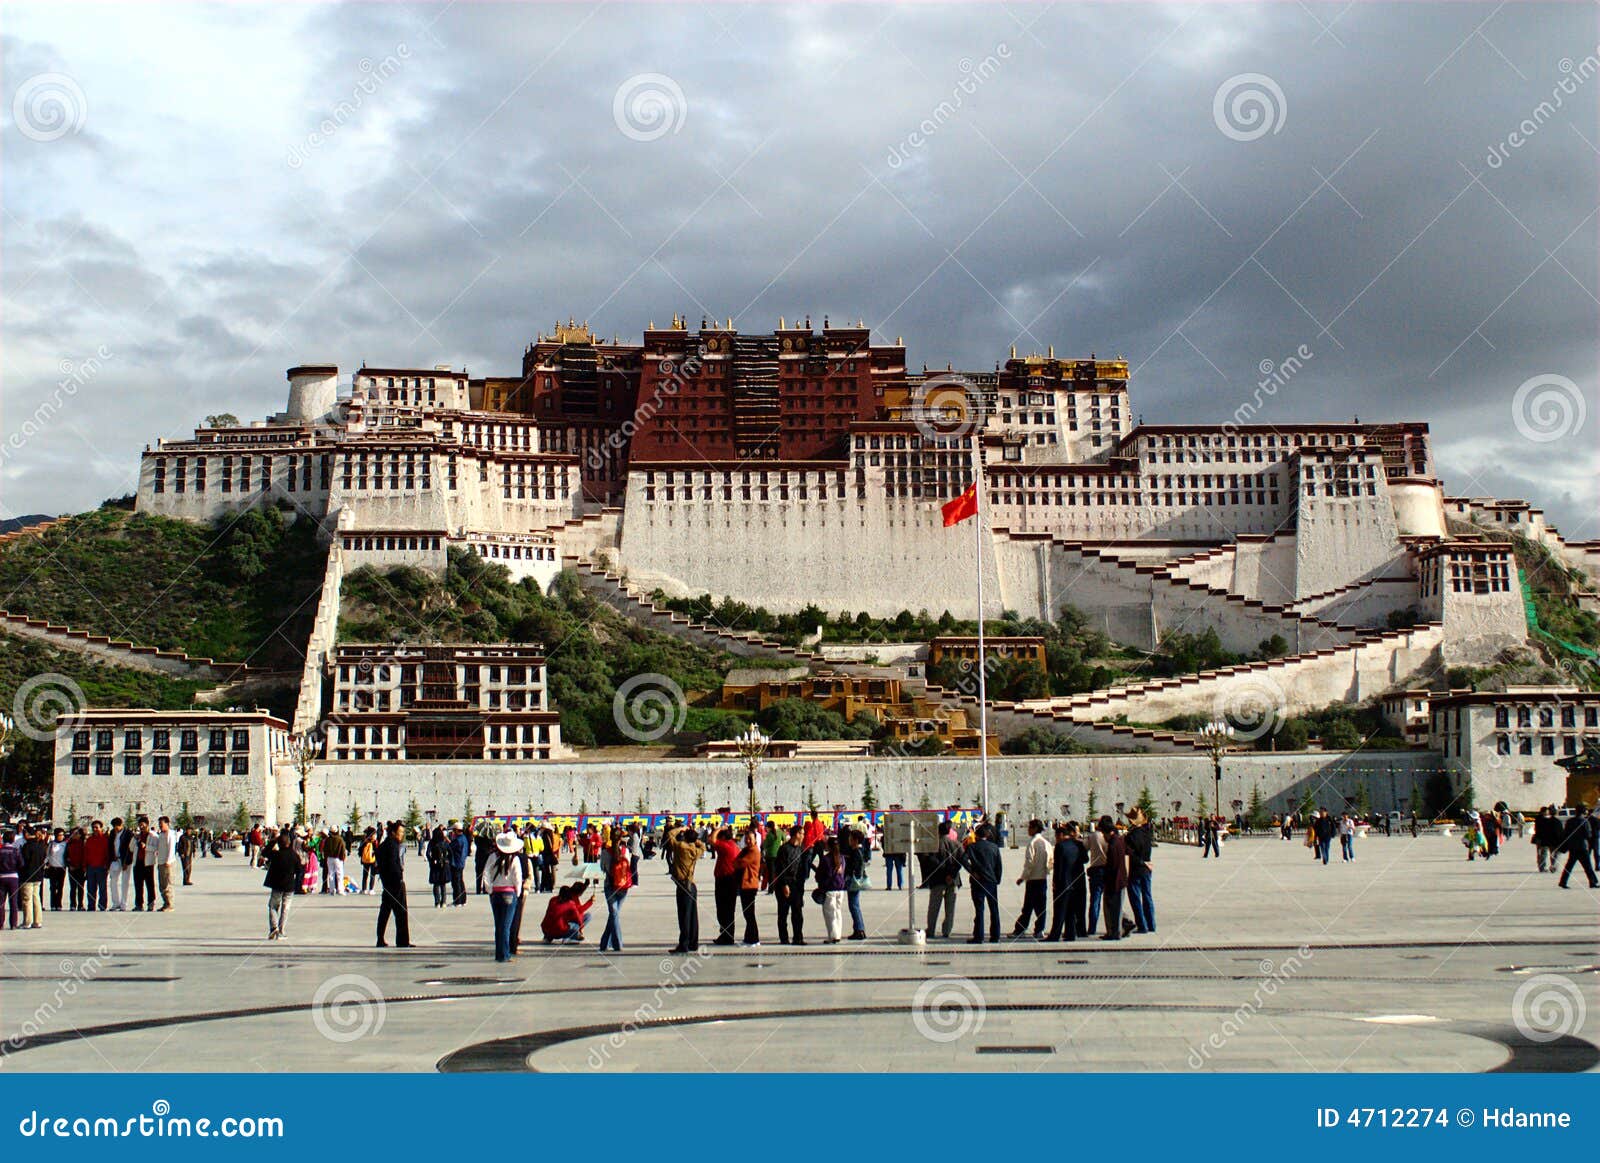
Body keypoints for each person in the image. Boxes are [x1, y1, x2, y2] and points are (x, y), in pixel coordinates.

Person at [666, 821, 705, 953]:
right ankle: (693, 942)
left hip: (682, 884)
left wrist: (681, 828)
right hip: (691, 884)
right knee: (693, 915)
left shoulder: (681, 847)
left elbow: (670, 834)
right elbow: (703, 846)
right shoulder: (696, 850)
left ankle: (684, 944)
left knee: (684, 915)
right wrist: (695, 839)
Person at [486, 831, 524, 962]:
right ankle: (505, 955)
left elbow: (486, 873)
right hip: (509, 893)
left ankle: (499, 953)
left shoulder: (492, 857)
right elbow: (517, 879)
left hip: (495, 893)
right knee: (506, 926)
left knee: (499, 926)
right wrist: (517, 893)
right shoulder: (514, 859)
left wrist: (489, 889)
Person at [1047, 821, 1088, 941]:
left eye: (1056, 837)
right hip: (1077, 882)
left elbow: (1058, 867)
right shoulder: (1078, 845)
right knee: (1071, 909)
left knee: (1059, 910)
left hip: (1063, 882)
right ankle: (1071, 933)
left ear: (1060, 835)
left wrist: (1055, 882)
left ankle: (1055, 934)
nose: (1056, 840)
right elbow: (1085, 859)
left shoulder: (1060, 846)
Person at [771, 824, 810, 945]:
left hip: (797, 884)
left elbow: (803, 868)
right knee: (783, 913)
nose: (803, 836)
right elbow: (780, 867)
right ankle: (784, 938)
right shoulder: (784, 849)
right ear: (796, 834)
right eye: (802, 833)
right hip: (784, 884)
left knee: (797, 912)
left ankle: (798, 937)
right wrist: (784, 885)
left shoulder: (802, 849)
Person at [1011, 818, 1050, 939]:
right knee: (1041, 907)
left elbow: (1029, 863)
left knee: (1028, 907)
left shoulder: (1032, 843)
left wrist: (1023, 878)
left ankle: (1020, 929)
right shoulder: (1046, 843)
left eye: (1029, 827)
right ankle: (1040, 930)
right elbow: (1051, 861)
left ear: (1034, 829)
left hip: (1032, 879)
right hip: (1042, 879)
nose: (1028, 830)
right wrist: (1046, 872)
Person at [262, 832, 304, 940]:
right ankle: (281, 930)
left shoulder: (276, 854)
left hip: (277, 884)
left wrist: (273, 841)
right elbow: (300, 871)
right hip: (289, 885)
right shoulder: (294, 855)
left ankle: (273, 927)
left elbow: (265, 852)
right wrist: (298, 884)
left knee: (273, 906)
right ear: (289, 843)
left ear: (279, 844)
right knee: (286, 908)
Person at [376, 821, 412, 947]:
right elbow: (393, 865)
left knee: (385, 911)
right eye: (400, 832)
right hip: (395, 883)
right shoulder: (392, 845)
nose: (402, 835)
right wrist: (399, 879)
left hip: (387, 883)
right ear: (393, 832)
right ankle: (403, 941)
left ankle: (380, 938)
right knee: (401, 912)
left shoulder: (384, 844)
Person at [965, 823, 1002, 944]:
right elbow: (998, 865)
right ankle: (995, 935)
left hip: (977, 881)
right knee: (994, 909)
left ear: (976, 834)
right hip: (991, 881)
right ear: (987, 835)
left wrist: (972, 871)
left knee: (979, 909)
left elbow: (963, 859)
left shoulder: (972, 847)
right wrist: (997, 879)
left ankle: (979, 936)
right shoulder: (994, 847)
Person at [598, 831, 632, 952]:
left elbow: (602, 868)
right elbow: (629, 866)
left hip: (610, 885)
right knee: (614, 914)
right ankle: (605, 943)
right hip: (623, 886)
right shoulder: (626, 851)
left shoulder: (605, 852)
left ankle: (617, 944)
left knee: (614, 913)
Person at [1124, 807, 1155, 935]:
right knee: (1147, 896)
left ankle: (1142, 925)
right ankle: (1151, 924)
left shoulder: (1130, 836)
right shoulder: (1147, 834)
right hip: (1147, 868)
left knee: (1135, 897)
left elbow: (1129, 853)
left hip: (1136, 869)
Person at [1098, 816, 1129, 940]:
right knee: (1115, 908)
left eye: (1103, 833)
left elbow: (1113, 866)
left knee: (1113, 909)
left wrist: (1107, 880)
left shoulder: (1113, 844)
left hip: (1115, 882)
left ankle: (1114, 933)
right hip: (1120, 880)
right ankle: (1115, 931)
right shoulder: (1120, 841)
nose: (1103, 837)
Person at [815, 835, 848, 944]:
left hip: (829, 889)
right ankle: (838, 934)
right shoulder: (842, 858)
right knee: (838, 912)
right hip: (841, 889)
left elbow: (820, 874)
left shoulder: (826, 859)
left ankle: (833, 936)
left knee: (830, 914)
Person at [711, 827, 740, 946]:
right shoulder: (733, 845)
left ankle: (727, 936)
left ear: (722, 837)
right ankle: (727, 934)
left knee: (723, 909)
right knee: (728, 909)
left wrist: (717, 829)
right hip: (731, 880)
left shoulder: (725, 845)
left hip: (725, 880)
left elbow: (711, 840)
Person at [1557, 807, 1598, 889]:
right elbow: (1588, 835)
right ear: (1584, 812)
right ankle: (1593, 882)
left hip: (1573, 846)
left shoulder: (1569, 821)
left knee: (1569, 865)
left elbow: (1565, 833)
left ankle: (1563, 881)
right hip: (1582, 846)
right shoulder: (1584, 822)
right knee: (1587, 866)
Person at [735, 828, 762, 946]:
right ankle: (748, 937)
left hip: (750, 884)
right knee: (747, 913)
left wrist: (737, 861)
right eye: (746, 839)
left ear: (755, 840)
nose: (748, 841)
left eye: (750, 839)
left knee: (749, 913)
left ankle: (754, 939)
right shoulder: (746, 849)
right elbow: (736, 861)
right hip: (744, 884)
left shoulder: (754, 851)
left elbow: (739, 863)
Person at [19, 825, 47, 929]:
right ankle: (37, 921)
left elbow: (23, 861)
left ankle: (27, 921)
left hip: (28, 875)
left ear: (27, 834)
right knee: (36, 898)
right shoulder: (41, 845)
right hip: (38, 875)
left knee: (27, 899)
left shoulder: (27, 846)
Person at [842, 828, 868, 940]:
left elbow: (855, 868)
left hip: (853, 882)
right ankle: (858, 929)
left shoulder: (855, 852)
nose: (849, 840)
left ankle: (859, 930)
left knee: (854, 906)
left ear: (855, 840)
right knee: (855, 905)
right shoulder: (858, 851)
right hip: (855, 881)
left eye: (850, 838)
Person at [1084, 819, 1107, 934]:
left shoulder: (1093, 836)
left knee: (1095, 901)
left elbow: (1084, 847)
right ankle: (1115, 926)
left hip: (1096, 870)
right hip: (1108, 870)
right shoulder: (1111, 836)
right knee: (1111, 900)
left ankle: (1092, 928)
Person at [83, 819, 111, 912]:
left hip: (101, 867)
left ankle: (102, 905)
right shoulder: (89, 840)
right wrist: (85, 866)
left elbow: (107, 853)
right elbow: (86, 853)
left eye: (97, 827)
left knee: (102, 888)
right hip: (90, 867)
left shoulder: (105, 839)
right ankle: (91, 905)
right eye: (93, 827)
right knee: (91, 887)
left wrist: (106, 865)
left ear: (101, 828)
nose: (95, 829)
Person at [154, 816, 178, 911]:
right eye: (159, 824)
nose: (160, 826)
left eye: (161, 824)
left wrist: (168, 860)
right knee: (162, 885)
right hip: (161, 862)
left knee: (168, 884)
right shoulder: (161, 835)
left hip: (168, 863)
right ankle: (165, 903)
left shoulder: (170, 834)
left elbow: (171, 848)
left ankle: (170, 904)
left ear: (167, 823)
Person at [0, 831, 23, 929]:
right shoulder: (16, 850)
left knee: (1, 902)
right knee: (13, 901)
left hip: (1, 877)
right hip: (13, 877)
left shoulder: (0, 851)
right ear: (13, 839)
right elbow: (21, 864)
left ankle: (0, 924)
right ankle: (13, 924)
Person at [107, 817, 131, 911]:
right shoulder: (113, 833)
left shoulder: (128, 833)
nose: (116, 828)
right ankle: (115, 902)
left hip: (125, 860)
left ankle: (123, 903)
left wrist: (127, 862)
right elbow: (110, 846)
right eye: (114, 826)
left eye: (117, 826)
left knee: (125, 882)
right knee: (113, 880)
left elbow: (130, 849)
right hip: (115, 860)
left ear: (121, 825)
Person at [427, 826, 451, 907]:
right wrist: (447, 860)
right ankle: (443, 902)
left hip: (435, 863)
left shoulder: (432, 842)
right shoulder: (445, 842)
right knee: (443, 884)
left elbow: (427, 853)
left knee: (436, 884)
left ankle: (437, 902)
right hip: (444, 864)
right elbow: (450, 853)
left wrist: (431, 860)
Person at [1533, 806, 1561, 874]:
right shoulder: (1544, 819)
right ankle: (1550, 867)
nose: (1547, 813)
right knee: (1546, 853)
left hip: (1542, 839)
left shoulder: (1540, 819)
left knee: (1543, 853)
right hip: (1544, 839)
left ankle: (1542, 867)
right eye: (1546, 811)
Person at [45, 827, 67, 911]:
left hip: (61, 868)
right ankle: (53, 904)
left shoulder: (65, 844)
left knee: (60, 887)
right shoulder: (51, 844)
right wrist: (47, 863)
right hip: (53, 867)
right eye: (59, 835)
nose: (61, 836)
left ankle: (59, 904)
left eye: (62, 835)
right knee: (53, 887)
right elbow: (47, 855)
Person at [449, 825, 470, 907]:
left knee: (456, 882)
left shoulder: (458, 840)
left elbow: (450, 848)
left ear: (457, 831)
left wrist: (448, 841)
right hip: (461, 862)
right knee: (460, 881)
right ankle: (463, 900)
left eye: (454, 831)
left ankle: (457, 901)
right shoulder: (464, 838)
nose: (453, 833)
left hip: (456, 862)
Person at [323, 828, 346, 894]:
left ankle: (332, 889)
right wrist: (343, 857)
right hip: (338, 858)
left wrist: (326, 857)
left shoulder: (328, 839)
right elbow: (343, 849)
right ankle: (340, 889)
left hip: (329, 858)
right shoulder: (340, 839)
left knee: (331, 874)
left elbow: (325, 850)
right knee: (339, 874)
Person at [358, 827, 379, 893]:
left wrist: (362, 857)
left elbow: (360, 851)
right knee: (372, 875)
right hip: (373, 860)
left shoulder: (364, 841)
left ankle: (364, 889)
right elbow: (377, 851)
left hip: (365, 860)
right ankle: (371, 889)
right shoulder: (374, 841)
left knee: (365, 875)